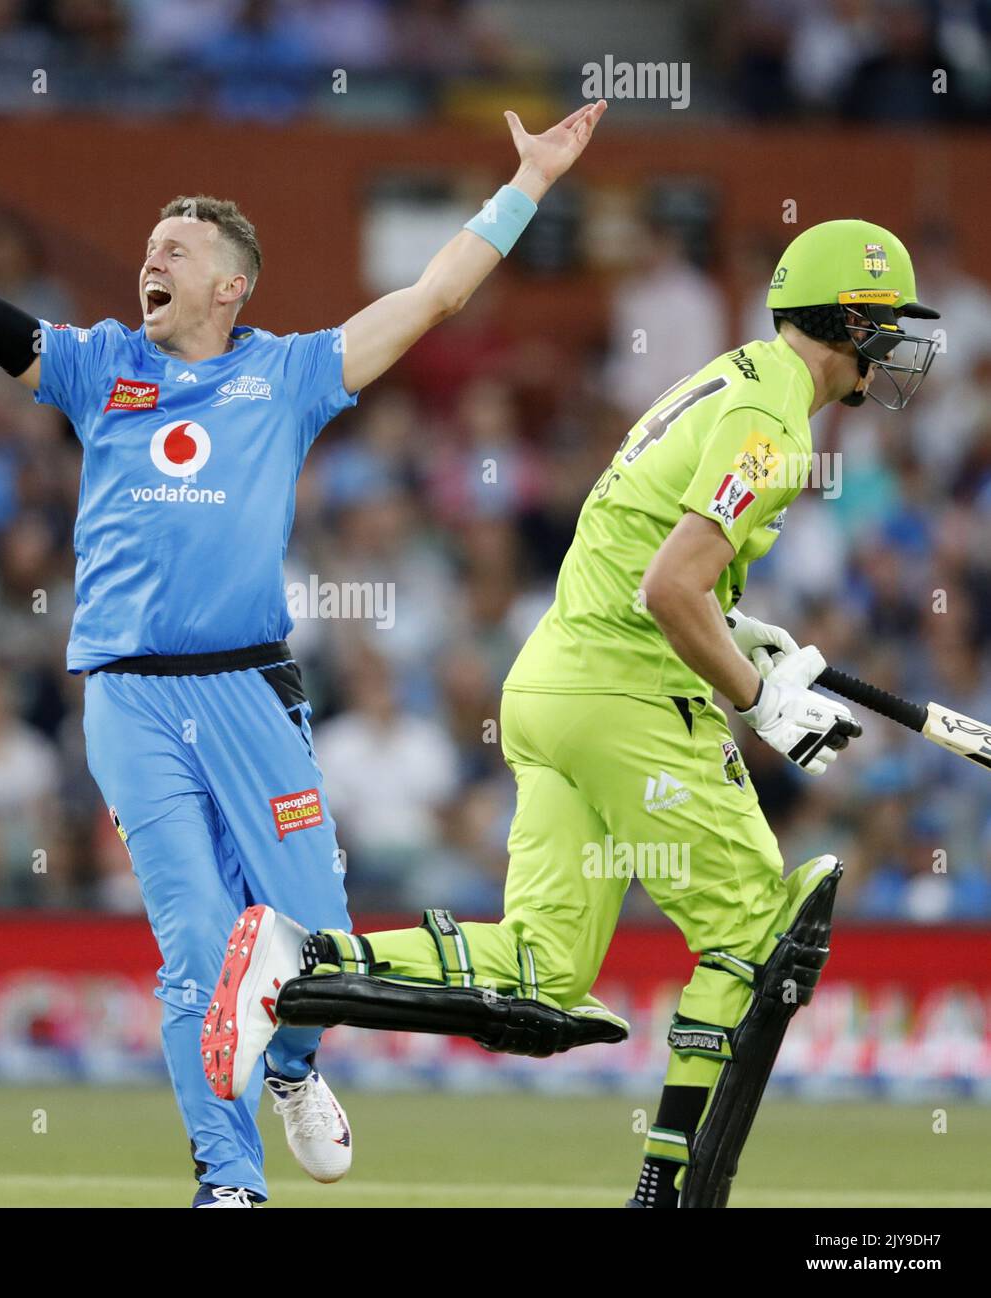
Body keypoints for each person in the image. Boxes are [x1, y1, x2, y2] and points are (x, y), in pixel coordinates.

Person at [0, 98, 606, 1206]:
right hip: (130, 699)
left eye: (177, 248)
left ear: (228, 286)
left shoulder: (290, 374)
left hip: (251, 688)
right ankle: (227, 1178)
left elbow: (434, 293)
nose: (150, 257)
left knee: (320, 940)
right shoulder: (101, 365)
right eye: (149, 244)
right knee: (197, 943)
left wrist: (527, 184)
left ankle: (292, 1069)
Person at [207, 218, 942, 1209]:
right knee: (758, 929)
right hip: (623, 694)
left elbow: (663, 559)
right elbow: (670, 588)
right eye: (885, 325)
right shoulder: (775, 421)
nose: (895, 348)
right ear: (844, 323)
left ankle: (297, 962)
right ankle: (669, 1193)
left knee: (543, 970)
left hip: (553, 684)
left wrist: (738, 626)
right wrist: (756, 692)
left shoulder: (739, 377)